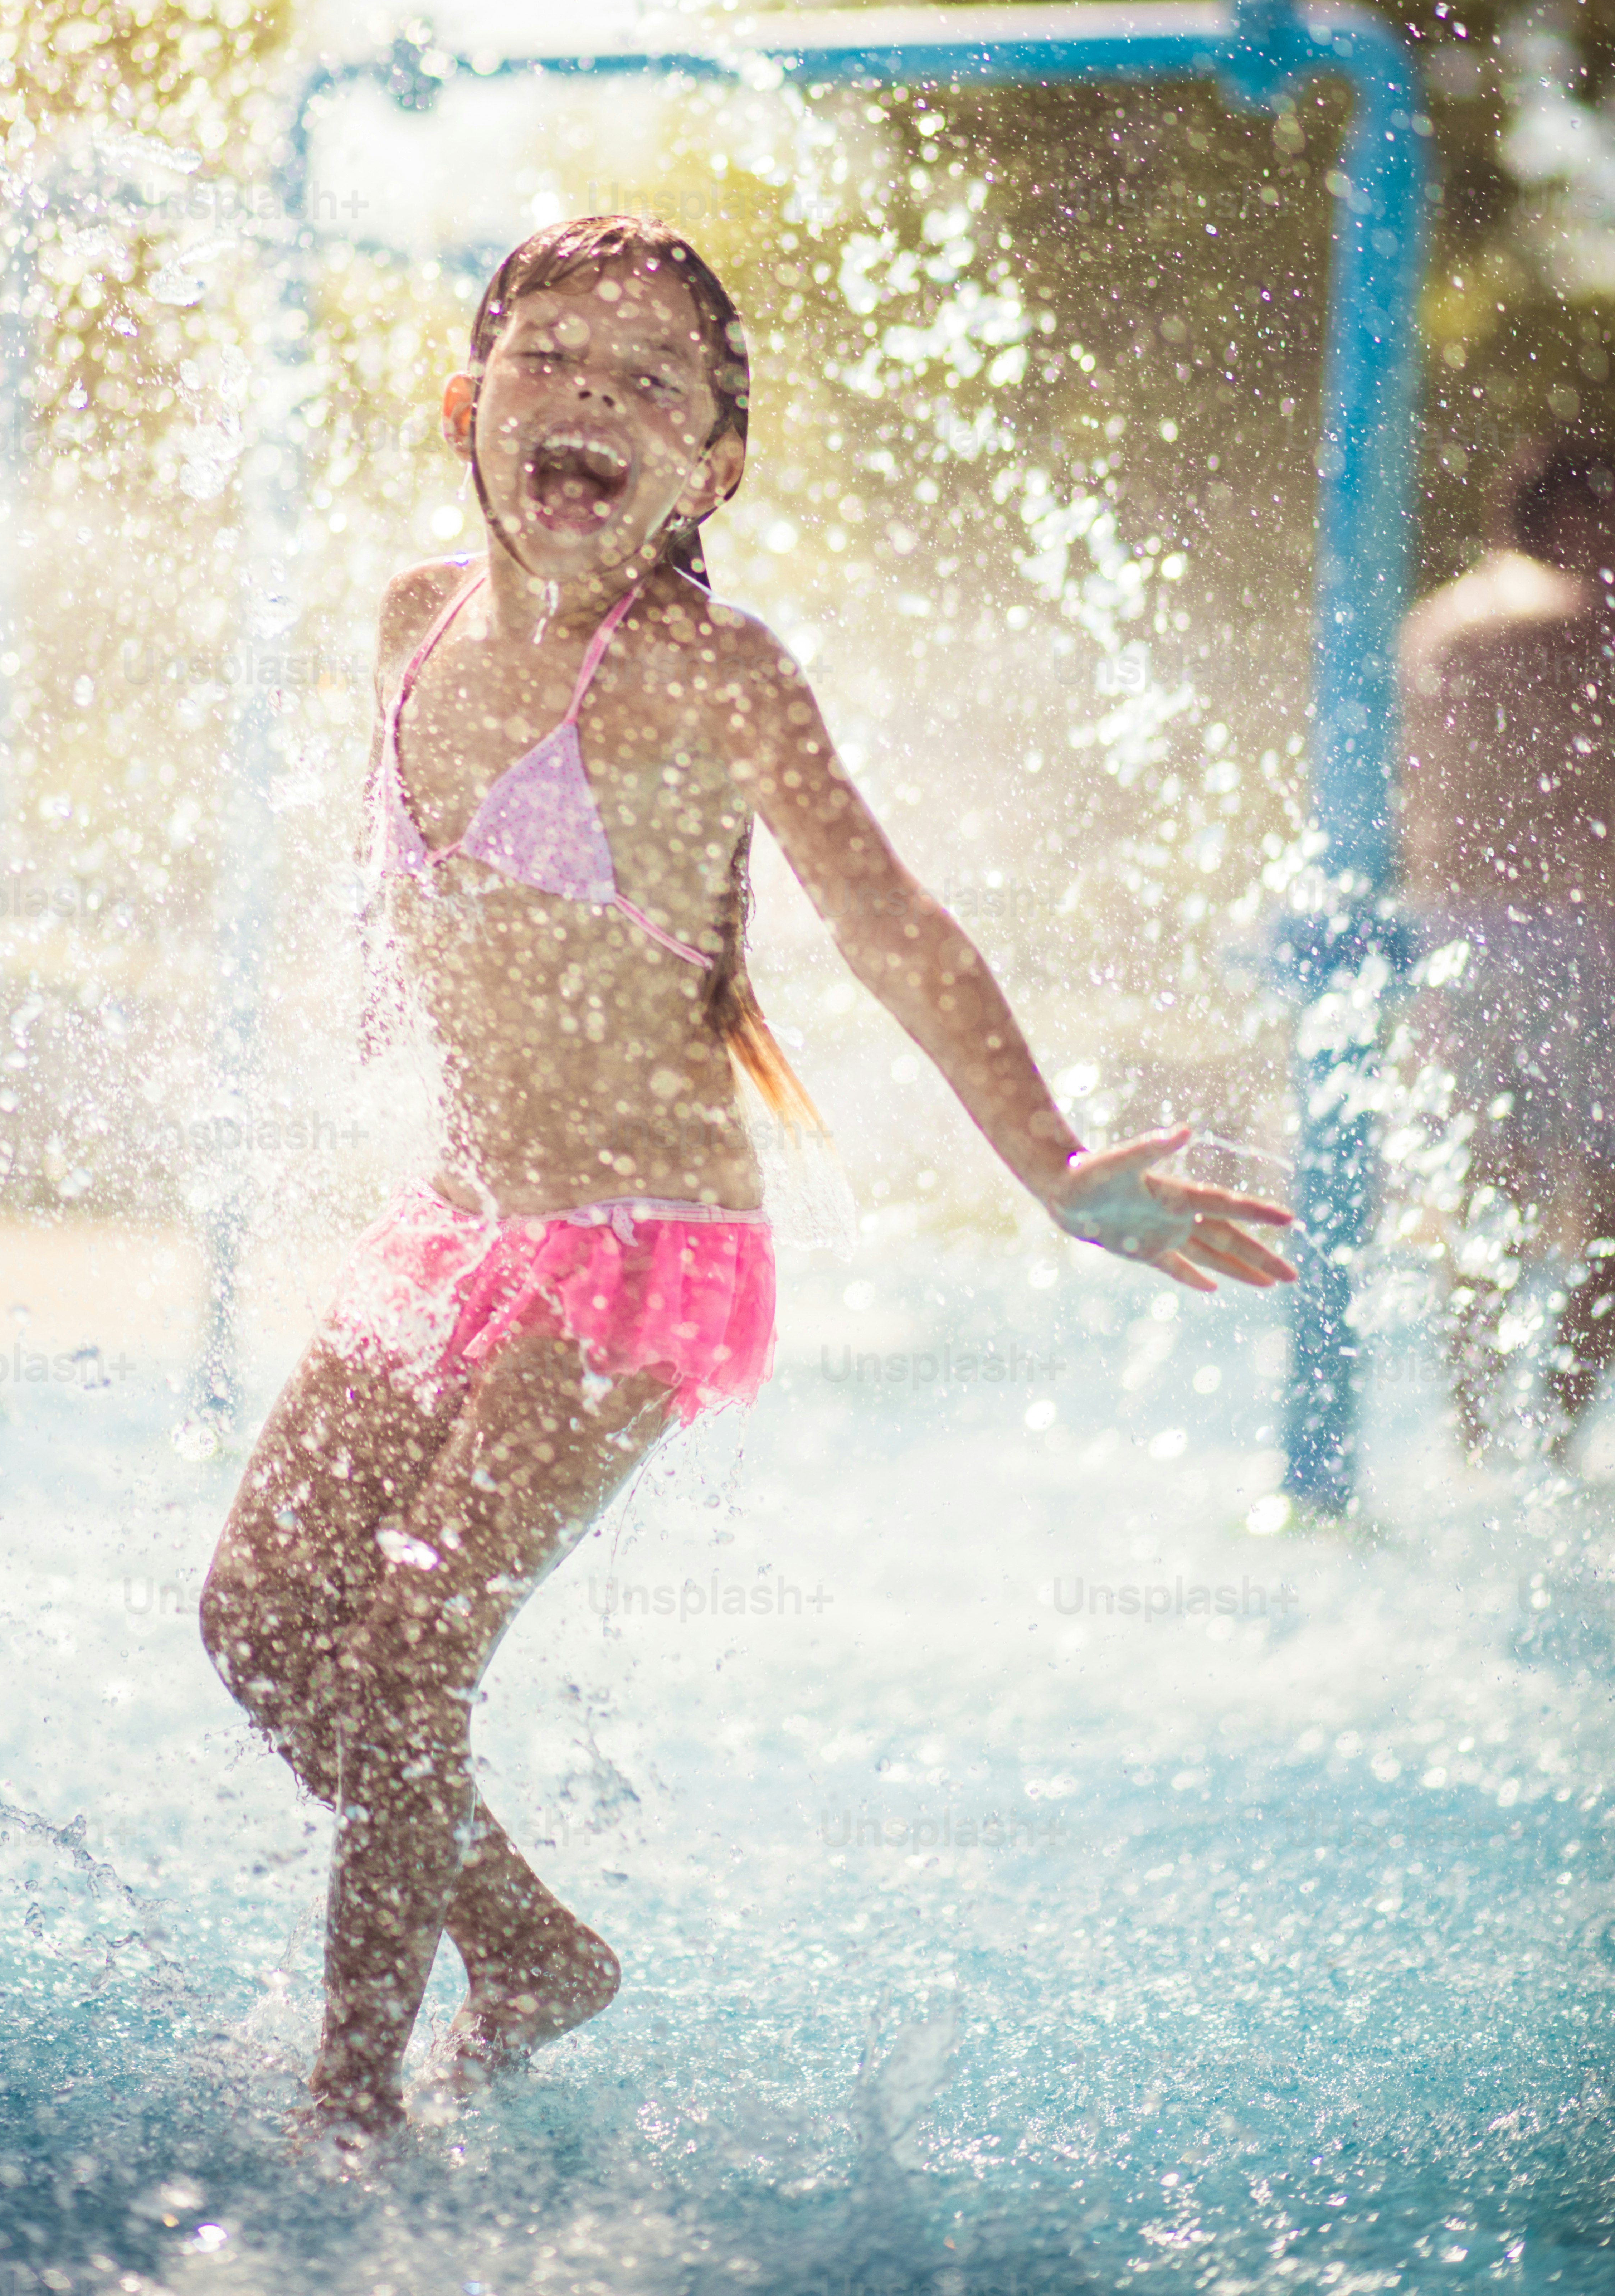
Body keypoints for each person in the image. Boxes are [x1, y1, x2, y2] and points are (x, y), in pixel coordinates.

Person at [197, 214, 1294, 2145]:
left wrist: (1053, 1167)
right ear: (468, 401)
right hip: (457, 1227)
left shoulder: (714, 673)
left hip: (641, 1246)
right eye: (550, 359)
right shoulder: (404, 620)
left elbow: (895, 926)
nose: (589, 401)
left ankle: (349, 2111)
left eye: (650, 386)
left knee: (414, 1635)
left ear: (712, 470)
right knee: (261, 1618)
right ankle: (531, 1946)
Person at [1400, 432, 1615, 1460]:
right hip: (1558, 937)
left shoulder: (1440, 623)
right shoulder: (1560, 614)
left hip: (1473, 938)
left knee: (1499, 1187)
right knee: (1570, 1195)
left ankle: (1493, 1433)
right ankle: (1538, 1431)